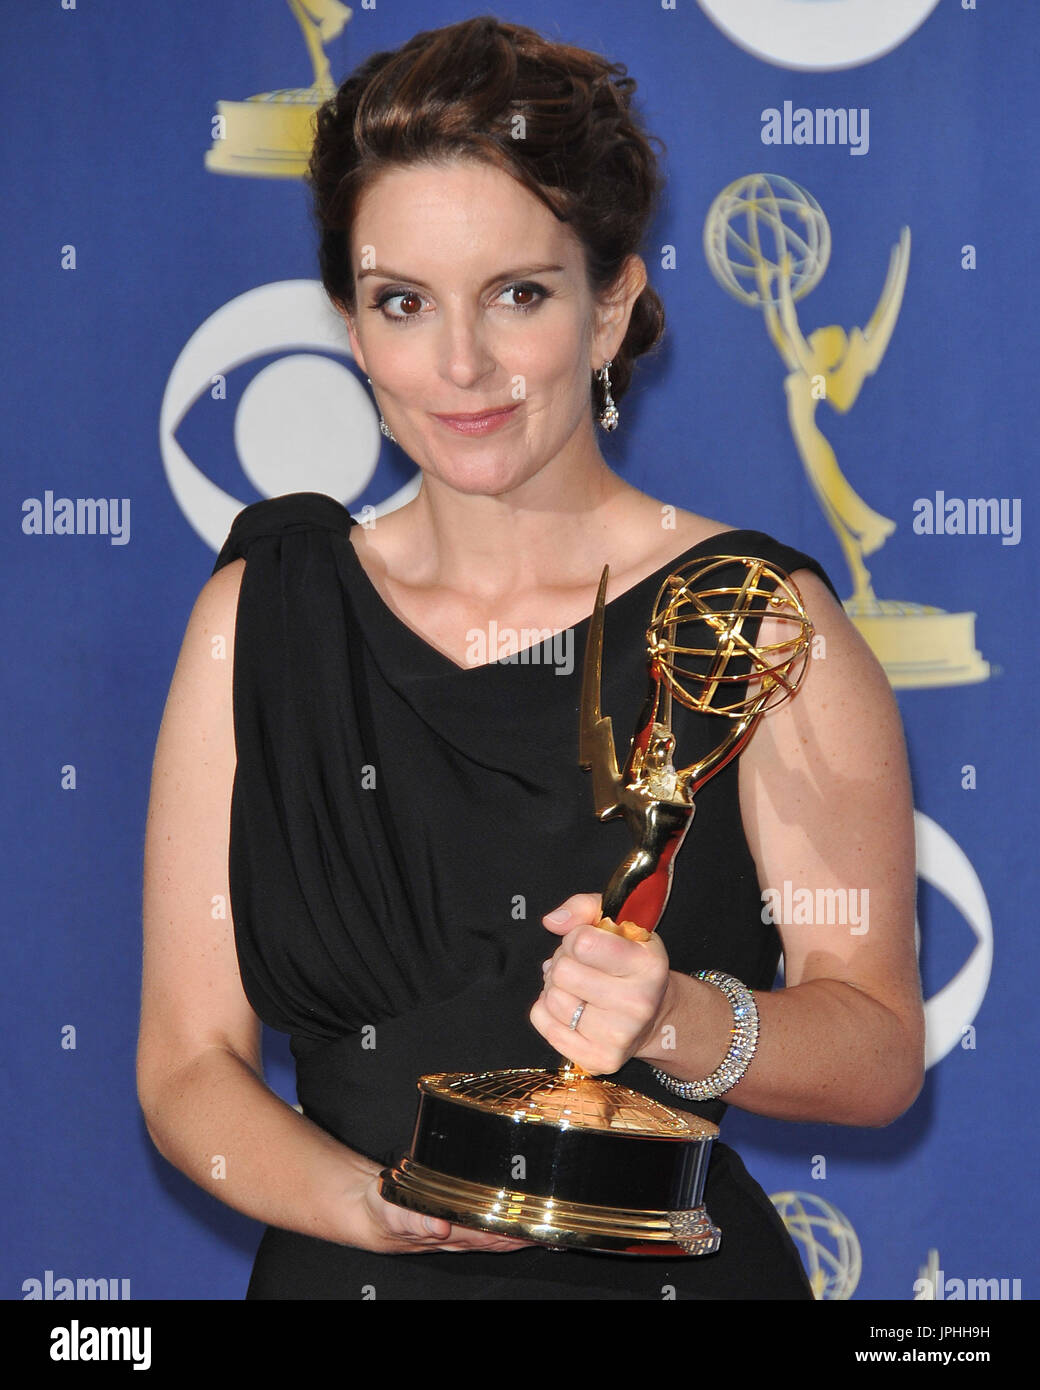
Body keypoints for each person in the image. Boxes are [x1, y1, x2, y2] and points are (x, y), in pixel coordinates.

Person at [137, 15, 924, 1300]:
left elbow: (878, 1047)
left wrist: (677, 1021)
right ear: (350, 322)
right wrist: (370, 1205)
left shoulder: (751, 613)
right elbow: (183, 1066)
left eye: (518, 294)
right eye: (403, 302)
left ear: (609, 305)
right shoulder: (258, 615)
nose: (459, 365)